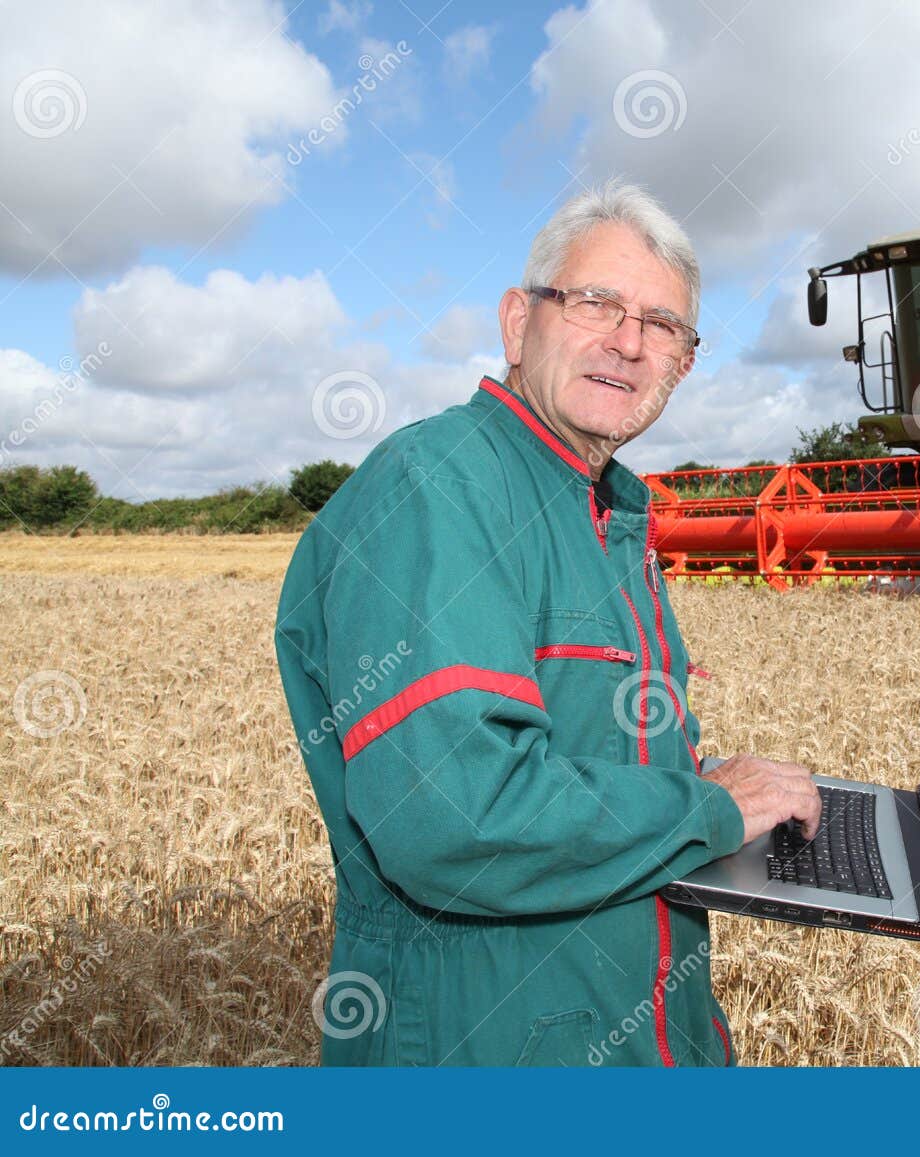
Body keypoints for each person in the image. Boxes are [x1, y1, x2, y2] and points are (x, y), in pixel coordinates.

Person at [274, 180, 822, 1067]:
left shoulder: (602, 509)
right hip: (485, 1043)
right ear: (517, 321)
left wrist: (703, 783)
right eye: (597, 301)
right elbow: (456, 816)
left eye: (665, 326)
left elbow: (584, 760)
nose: (630, 342)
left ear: (684, 362)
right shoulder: (439, 488)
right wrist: (710, 807)